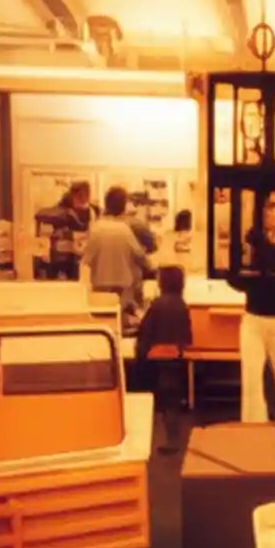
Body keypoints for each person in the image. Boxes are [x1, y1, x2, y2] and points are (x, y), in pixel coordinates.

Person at [229, 194, 275, 438]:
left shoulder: (255, 245)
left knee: (273, 379)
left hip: (262, 316)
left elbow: (236, 280)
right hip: (273, 316)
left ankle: (264, 427)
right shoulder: (269, 247)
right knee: (273, 380)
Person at [135, 265, 193, 450]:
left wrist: (140, 353)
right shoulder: (181, 304)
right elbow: (187, 335)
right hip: (176, 355)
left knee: (166, 400)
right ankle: (174, 438)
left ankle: (170, 442)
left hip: (157, 357)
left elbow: (146, 332)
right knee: (173, 399)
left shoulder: (157, 305)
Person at [83, 187, 153, 332]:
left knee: (103, 322)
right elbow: (139, 255)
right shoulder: (124, 229)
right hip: (122, 288)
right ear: (122, 206)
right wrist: (150, 266)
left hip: (99, 286)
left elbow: (86, 260)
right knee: (121, 322)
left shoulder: (96, 228)